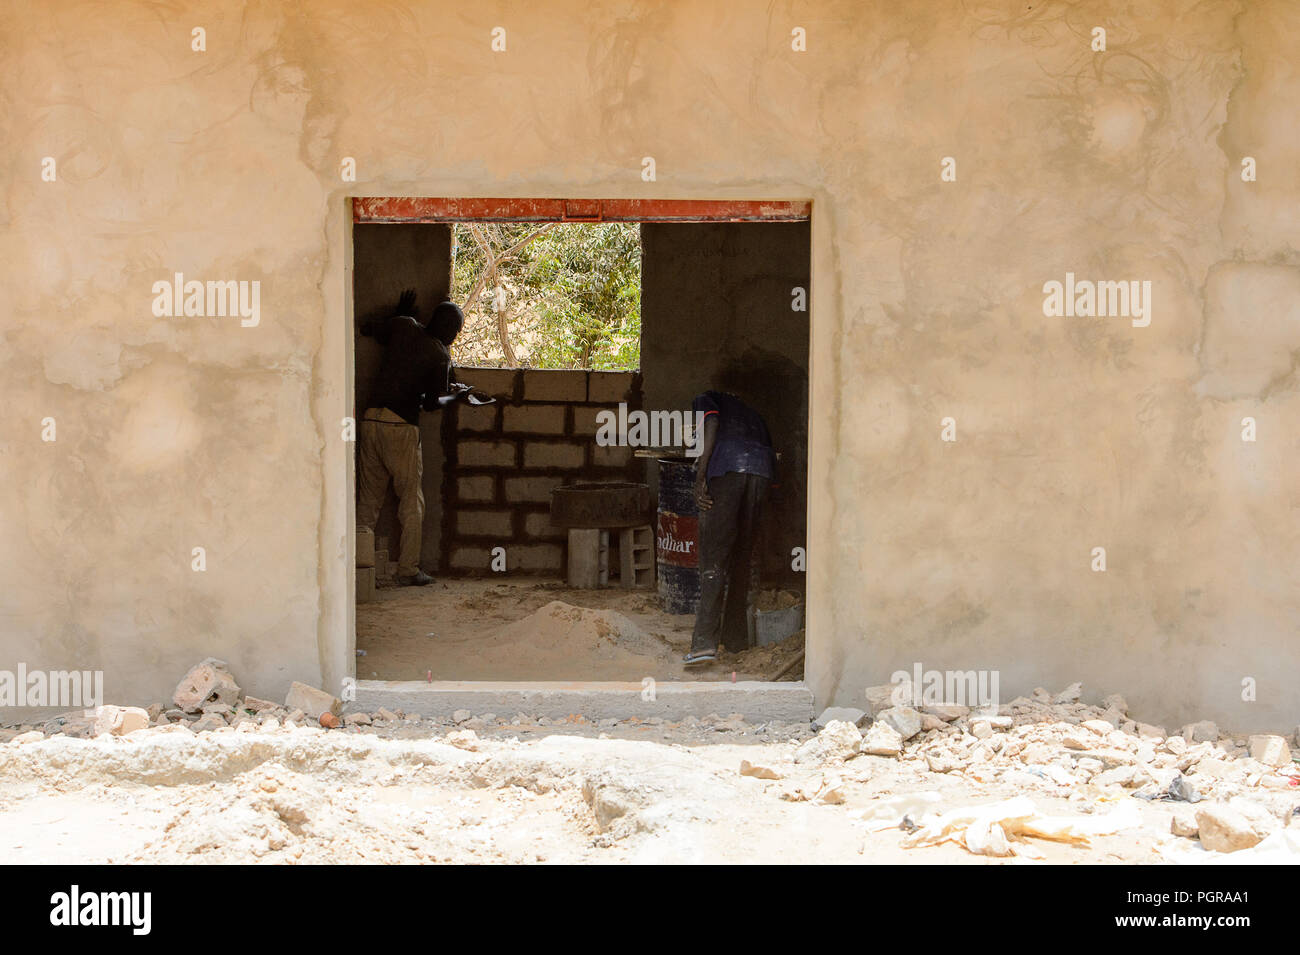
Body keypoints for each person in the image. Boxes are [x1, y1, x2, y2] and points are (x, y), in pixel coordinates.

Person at [357, 289, 468, 586]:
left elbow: (368, 328)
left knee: (368, 502)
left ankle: (356, 569)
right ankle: (408, 569)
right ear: (446, 327)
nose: (455, 336)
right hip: (401, 427)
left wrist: (397, 313)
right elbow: (432, 403)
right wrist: (455, 397)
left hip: (370, 419)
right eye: (456, 330)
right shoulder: (439, 354)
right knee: (411, 501)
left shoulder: (403, 325)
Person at [684, 387, 776, 665]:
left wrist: (701, 476)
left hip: (727, 470)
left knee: (714, 558)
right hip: (761, 474)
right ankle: (736, 641)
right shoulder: (756, 416)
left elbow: (710, 423)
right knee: (742, 558)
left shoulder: (706, 398)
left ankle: (704, 645)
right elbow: (772, 457)